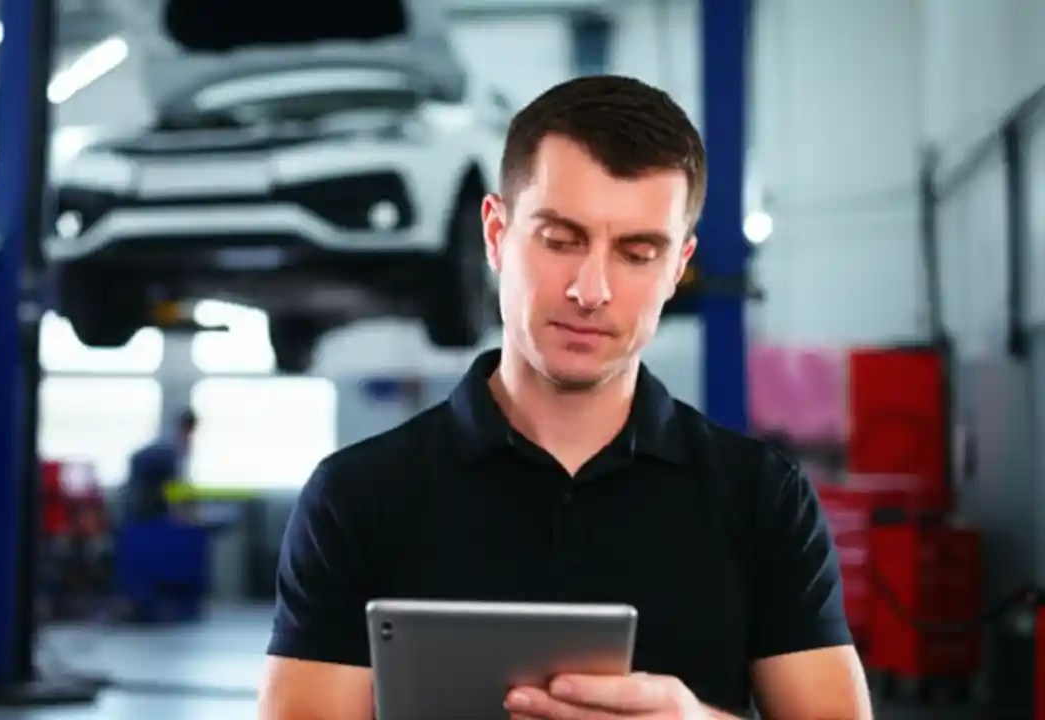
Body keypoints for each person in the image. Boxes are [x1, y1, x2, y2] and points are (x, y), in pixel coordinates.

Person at [259, 75, 872, 719]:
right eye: (560, 240)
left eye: (637, 253)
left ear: (676, 267)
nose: (591, 289)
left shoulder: (762, 499)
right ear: (495, 234)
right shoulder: (357, 499)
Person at [123, 408, 199, 521]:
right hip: (146, 491)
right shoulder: (173, 444)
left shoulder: (170, 441)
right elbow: (175, 477)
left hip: (144, 490)